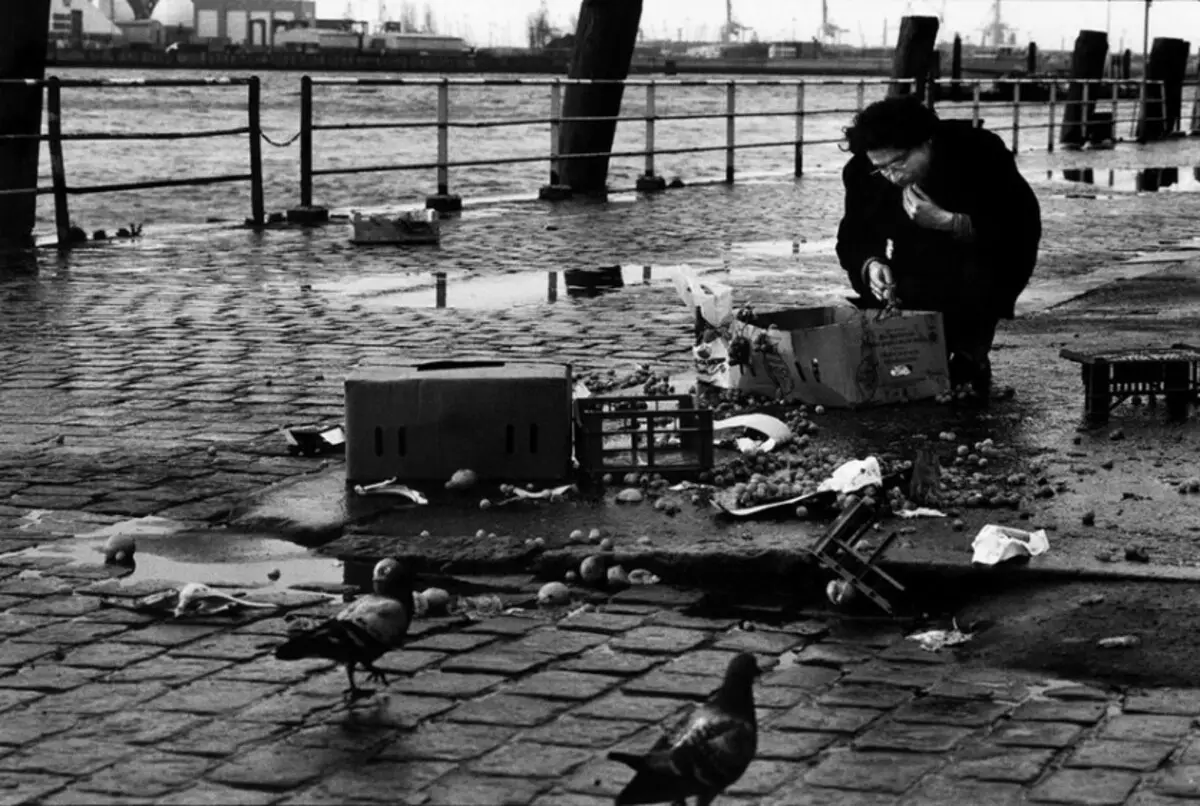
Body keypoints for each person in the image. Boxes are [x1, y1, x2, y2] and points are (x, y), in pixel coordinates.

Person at [835, 94, 1042, 400]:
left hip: (987, 256)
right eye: (883, 168)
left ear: (927, 142)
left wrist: (952, 222)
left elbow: (1020, 225)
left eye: (900, 162)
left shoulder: (979, 151)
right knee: (898, 317)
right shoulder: (863, 171)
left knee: (975, 292)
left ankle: (972, 354)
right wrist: (871, 265)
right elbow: (853, 237)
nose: (894, 175)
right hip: (916, 259)